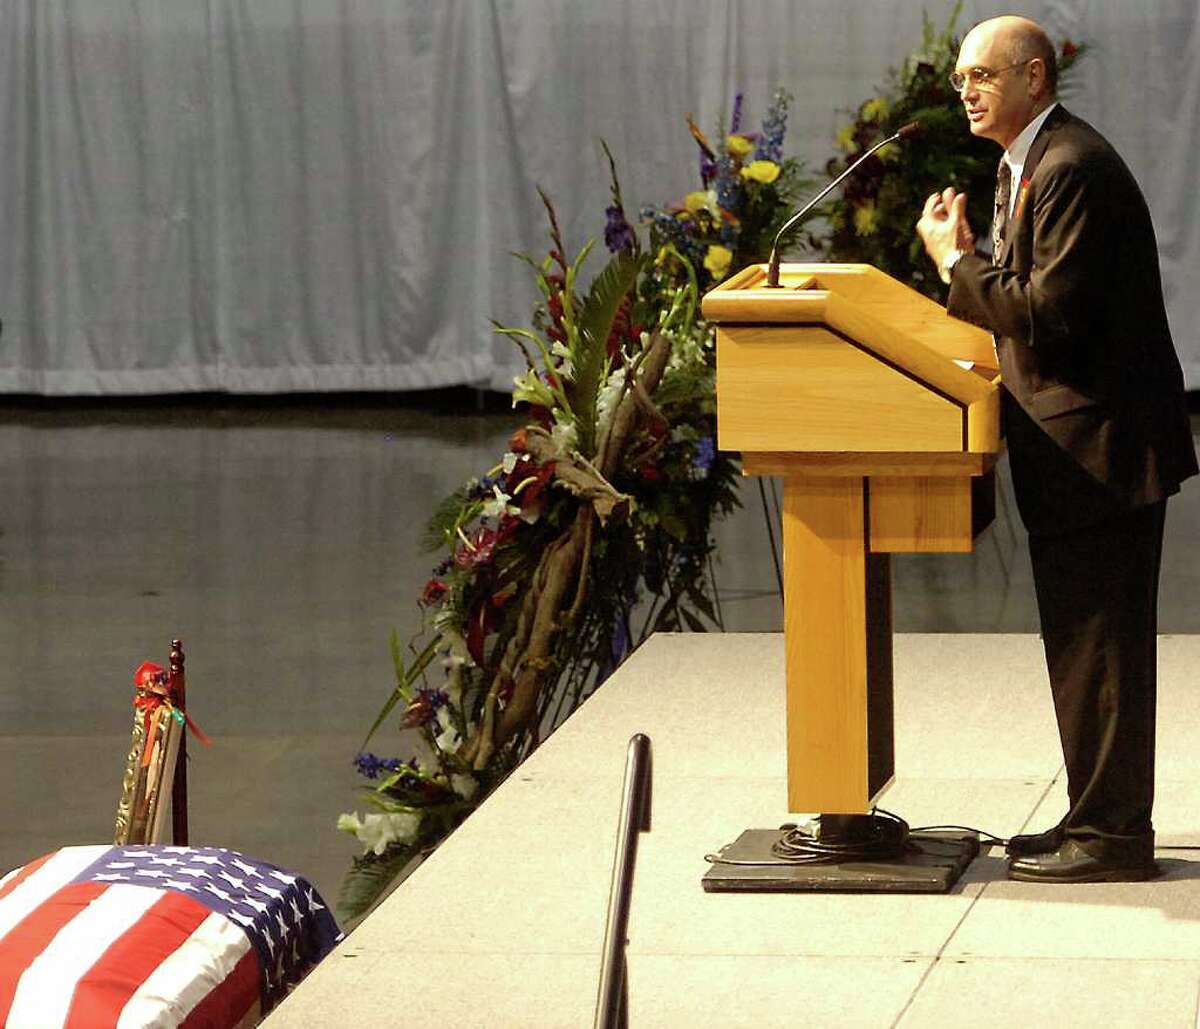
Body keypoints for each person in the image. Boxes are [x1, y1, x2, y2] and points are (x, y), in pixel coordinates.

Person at [917, 15, 1198, 883]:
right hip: (1069, 452)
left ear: (1035, 78)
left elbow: (1049, 313)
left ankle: (1112, 838)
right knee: (1082, 651)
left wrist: (955, 265)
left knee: (1104, 652)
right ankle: (1090, 818)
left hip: (1100, 451)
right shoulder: (1024, 165)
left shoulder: (1071, 166)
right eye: (961, 77)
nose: (965, 89)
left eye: (983, 76)